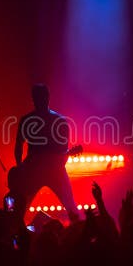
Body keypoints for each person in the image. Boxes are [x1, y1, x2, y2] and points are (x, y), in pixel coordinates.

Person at [13, 84, 80, 222]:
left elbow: (19, 146)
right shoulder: (58, 120)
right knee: (71, 208)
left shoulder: (28, 120)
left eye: (40, 97)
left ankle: (15, 231)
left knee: (20, 210)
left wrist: (21, 168)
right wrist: (21, 169)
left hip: (35, 170)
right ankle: (80, 228)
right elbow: (18, 146)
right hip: (47, 170)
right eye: (38, 98)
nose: (40, 100)